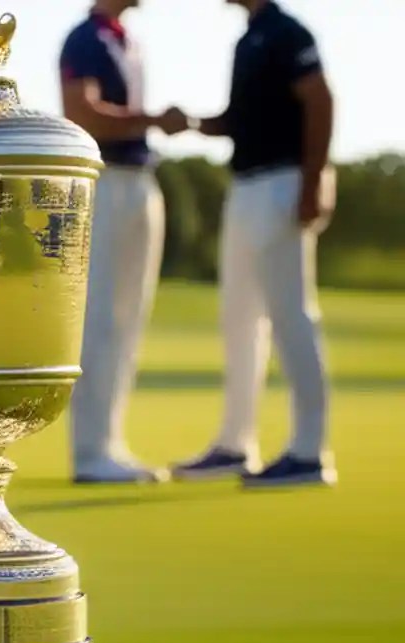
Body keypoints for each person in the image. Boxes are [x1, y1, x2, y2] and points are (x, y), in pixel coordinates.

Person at [173, 0, 337, 487]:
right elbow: (242, 119)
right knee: (239, 318)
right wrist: (195, 124)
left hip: (282, 185)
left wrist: (313, 182)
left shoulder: (287, 31)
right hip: (245, 188)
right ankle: (234, 444)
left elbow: (321, 99)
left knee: (290, 314)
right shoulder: (249, 37)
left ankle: (309, 451)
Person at [60, 0, 185, 485]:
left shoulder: (125, 40)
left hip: (140, 181)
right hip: (104, 183)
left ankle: (109, 441)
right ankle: (90, 450)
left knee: (131, 316)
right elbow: (82, 113)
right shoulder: (85, 38)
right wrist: (153, 120)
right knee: (101, 316)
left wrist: (150, 124)